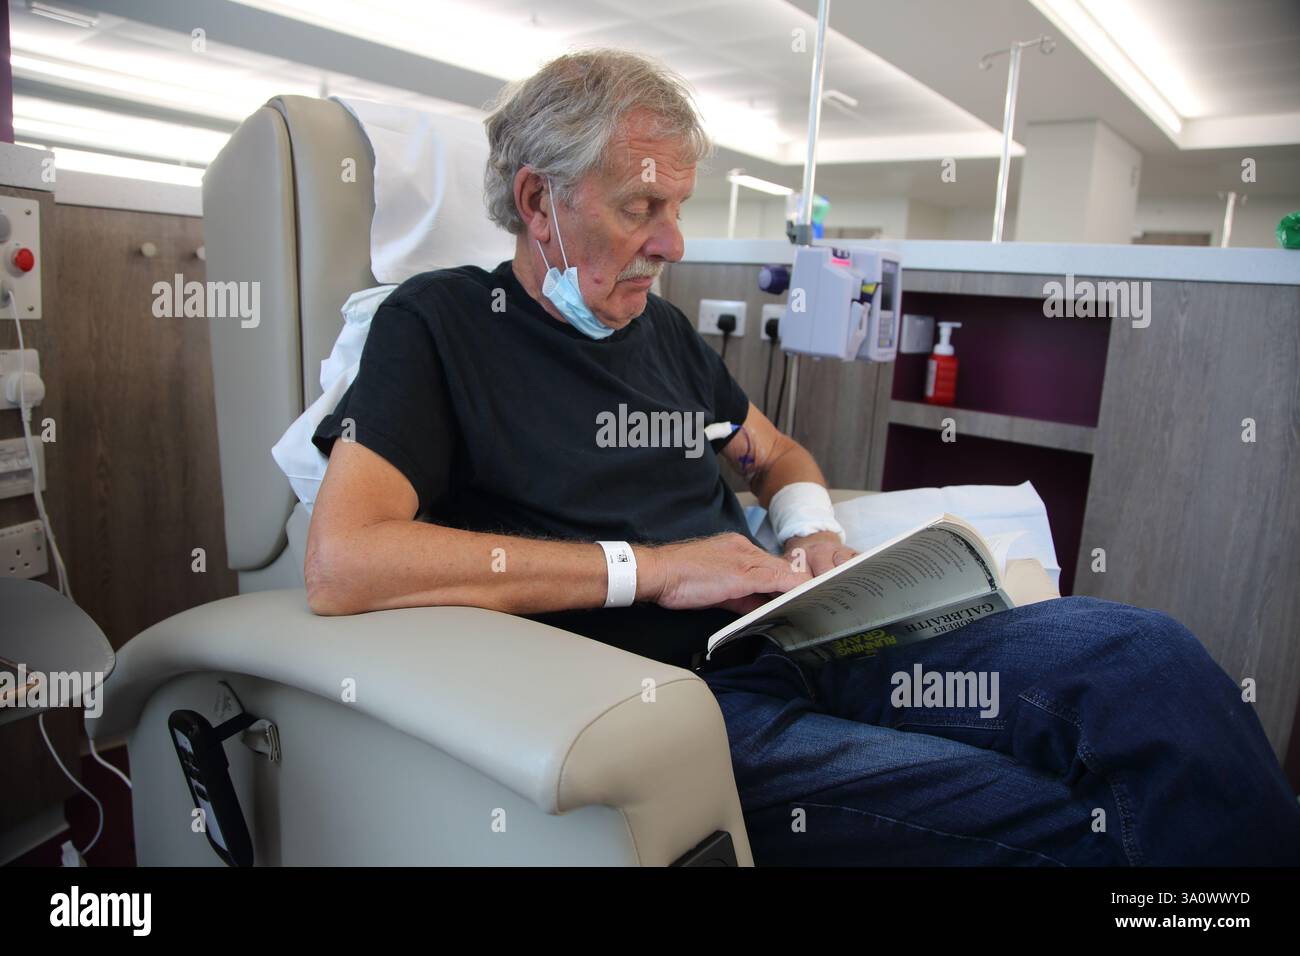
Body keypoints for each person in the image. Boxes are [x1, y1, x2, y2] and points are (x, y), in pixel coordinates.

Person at [304, 49, 1300, 865]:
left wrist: (812, 532)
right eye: (641, 209)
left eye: (677, 208)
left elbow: (772, 449)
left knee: (1147, 658)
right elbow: (346, 560)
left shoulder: (663, 337)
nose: (674, 243)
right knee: (1058, 818)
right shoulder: (435, 326)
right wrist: (651, 568)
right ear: (539, 200)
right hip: (682, 701)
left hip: (807, 634)